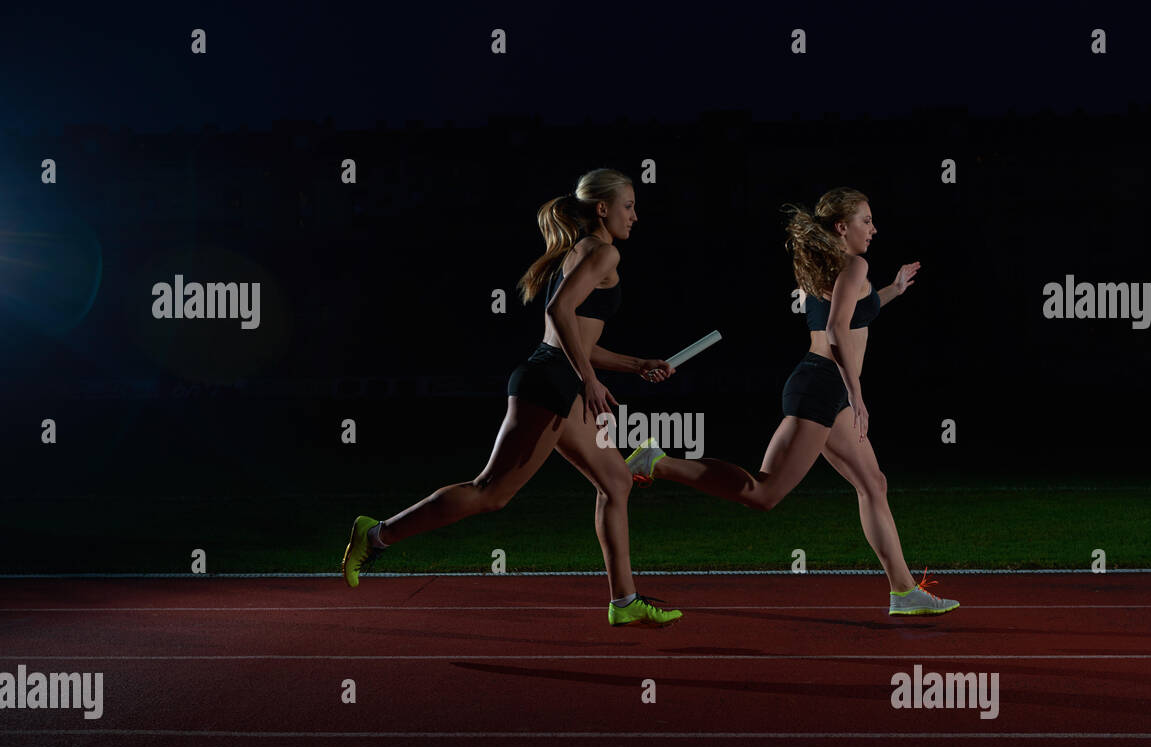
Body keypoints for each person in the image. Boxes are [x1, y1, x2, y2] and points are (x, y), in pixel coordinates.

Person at [342, 168, 682, 626]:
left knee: (616, 481)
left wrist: (636, 364)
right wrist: (589, 380)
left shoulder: (584, 251)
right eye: (629, 206)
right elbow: (558, 313)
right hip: (548, 382)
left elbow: (577, 338)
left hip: (557, 380)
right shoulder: (603, 252)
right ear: (602, 208)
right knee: (491, 493)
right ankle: (376, 535)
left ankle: (624, 602)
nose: (635, 216)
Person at [626, 187, 958, 616]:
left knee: (873, 483)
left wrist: (893, 289)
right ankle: (658, 462)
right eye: (866, 220)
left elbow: (857, 310)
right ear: (842, 227)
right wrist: (856, 394)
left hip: (823, 386)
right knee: (763, 493)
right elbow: (836, 331)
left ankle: (903, 590)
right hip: (822, 388)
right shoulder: (853, 265)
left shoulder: (827, 268)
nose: (874, 229)